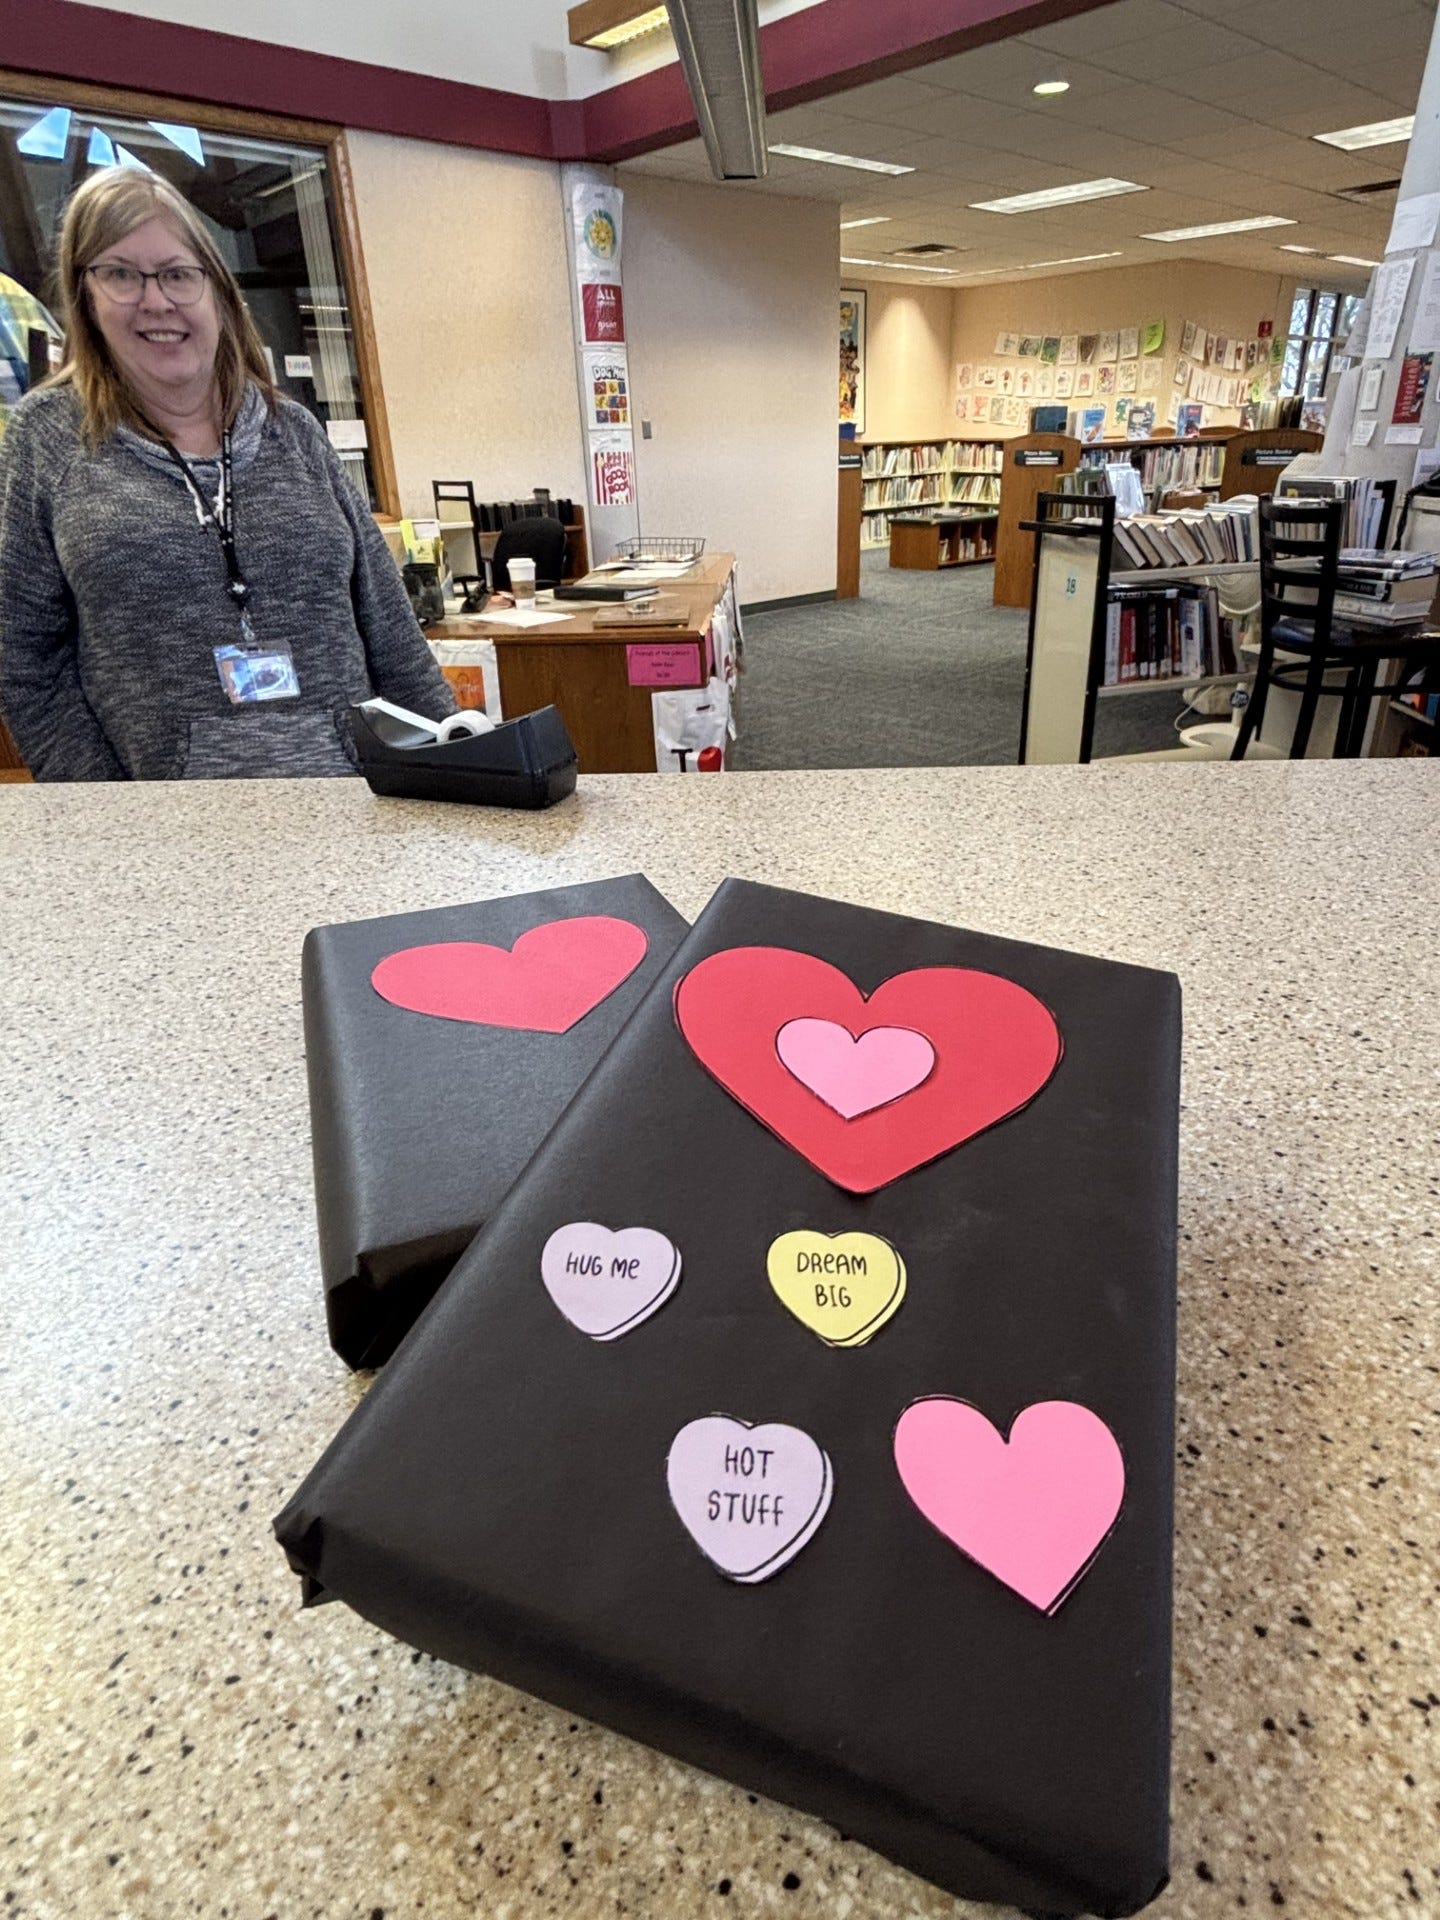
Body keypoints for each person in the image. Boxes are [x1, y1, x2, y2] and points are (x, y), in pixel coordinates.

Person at [0, 167, 454, 780]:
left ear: (216, 290)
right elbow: (24, 659)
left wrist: (458, 765)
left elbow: (391, 630)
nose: (155, 300)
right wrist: (106, 807)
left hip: (359, 809)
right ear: (85, 295)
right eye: (120, 274)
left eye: (178, 274)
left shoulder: (292, 430)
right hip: (166, 834)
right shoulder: (48, 436)